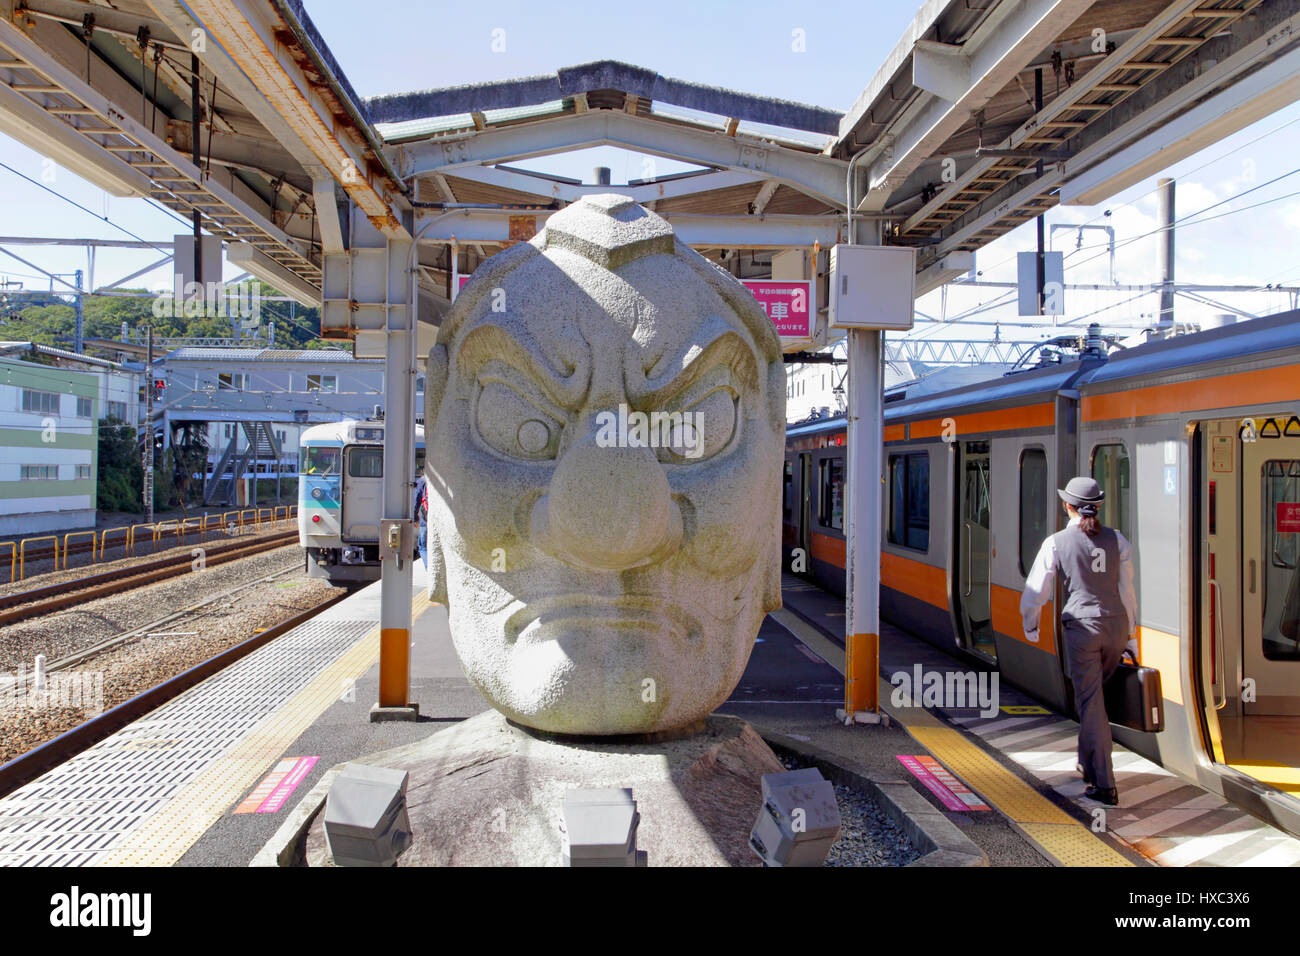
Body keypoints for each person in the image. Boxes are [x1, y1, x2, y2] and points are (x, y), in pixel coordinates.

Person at [1020, 476, 1137, 806]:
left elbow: (1035, 591)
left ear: (1066, 506)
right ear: (1098, 507)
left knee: (1090, 702)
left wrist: (1031, 626)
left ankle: (1104, 784)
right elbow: (1128, 594)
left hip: (1083, 630)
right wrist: (1131, 638)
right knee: (1095, 700)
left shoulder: (1056, 542)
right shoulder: (1119, 541)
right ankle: (1088, 764)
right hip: (1115, 627)